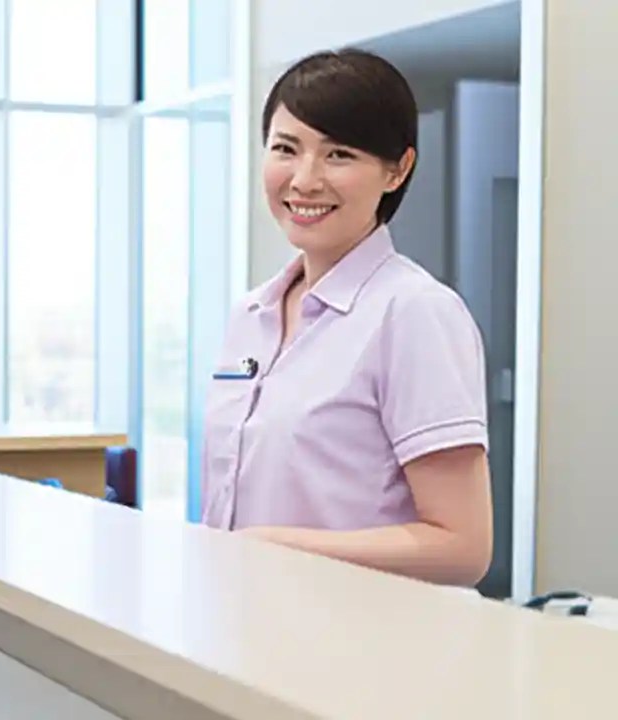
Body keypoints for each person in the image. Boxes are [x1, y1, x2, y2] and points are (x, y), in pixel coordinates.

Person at [201, 49, 493, 587]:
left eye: (339, 155)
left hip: (356, 649)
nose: (305, 180)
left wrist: (277, 547)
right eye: (285, 149)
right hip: (243, 630)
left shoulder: (414, 313)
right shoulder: (250, 314)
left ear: (397, 169)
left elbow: (463, 547)